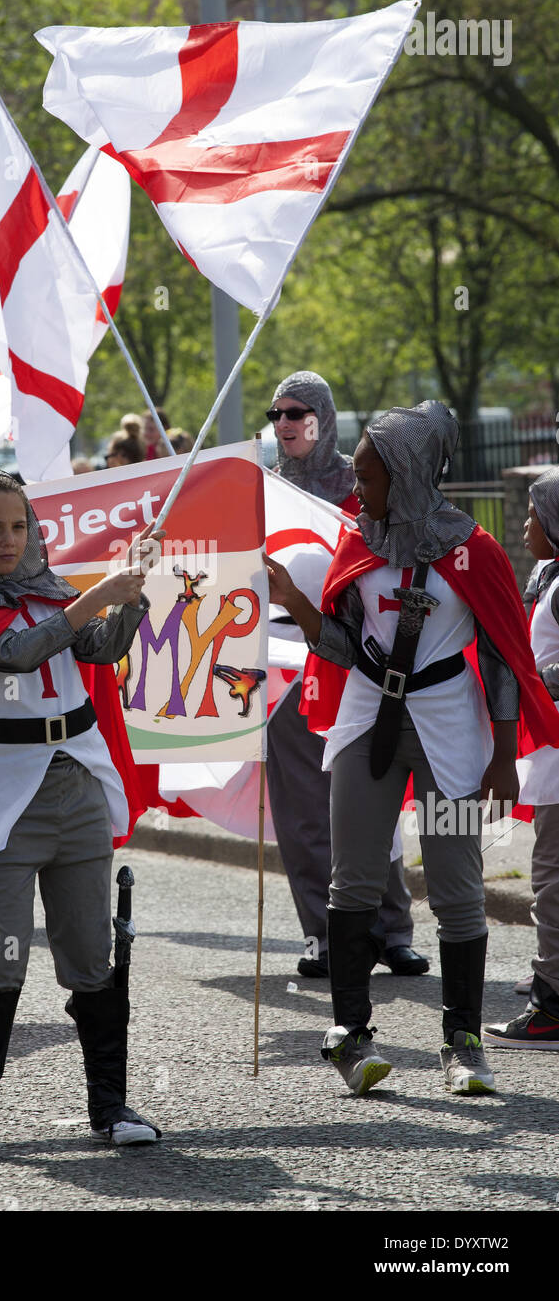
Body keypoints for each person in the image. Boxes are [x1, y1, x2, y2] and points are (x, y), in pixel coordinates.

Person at [264, 401, 559, 1097]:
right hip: (367, 726)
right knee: (353, 879)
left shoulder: (475, 550)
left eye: (368, 477)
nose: (357, 490)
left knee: (456, 889)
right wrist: (295, 603)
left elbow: (498, 656)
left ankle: (461, 1045)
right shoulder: (357, 542)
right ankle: (350, 1035)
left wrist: (497, 756)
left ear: (409, 471)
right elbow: (339, 645)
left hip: (450, 740)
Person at [0, 467, 163, 1161]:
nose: (7, 539)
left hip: (77, 785)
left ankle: (110, 1105)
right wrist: (97, 596)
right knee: (3, 958)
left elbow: (102, 649)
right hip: (5, 797)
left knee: (90, 955)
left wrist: (134, 594)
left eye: (18, 526)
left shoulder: (51, 594)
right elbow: (17, 655)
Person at [265, 372, 428, 979]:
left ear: (322, 416)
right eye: (275, 412)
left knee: (369, 797)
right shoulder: (265, 493)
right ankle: (325, 935)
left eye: (296, 412)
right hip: (282, 661)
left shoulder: (360, 488)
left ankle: (391, 930)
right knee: (304, 806)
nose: (284, 422)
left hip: (355, 657)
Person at [484, 468, 559, 1048]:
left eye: (535, 514)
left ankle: (552, 1005)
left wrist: (533, 678)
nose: (525, 524)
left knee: (552, 878)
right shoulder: (549, 578)